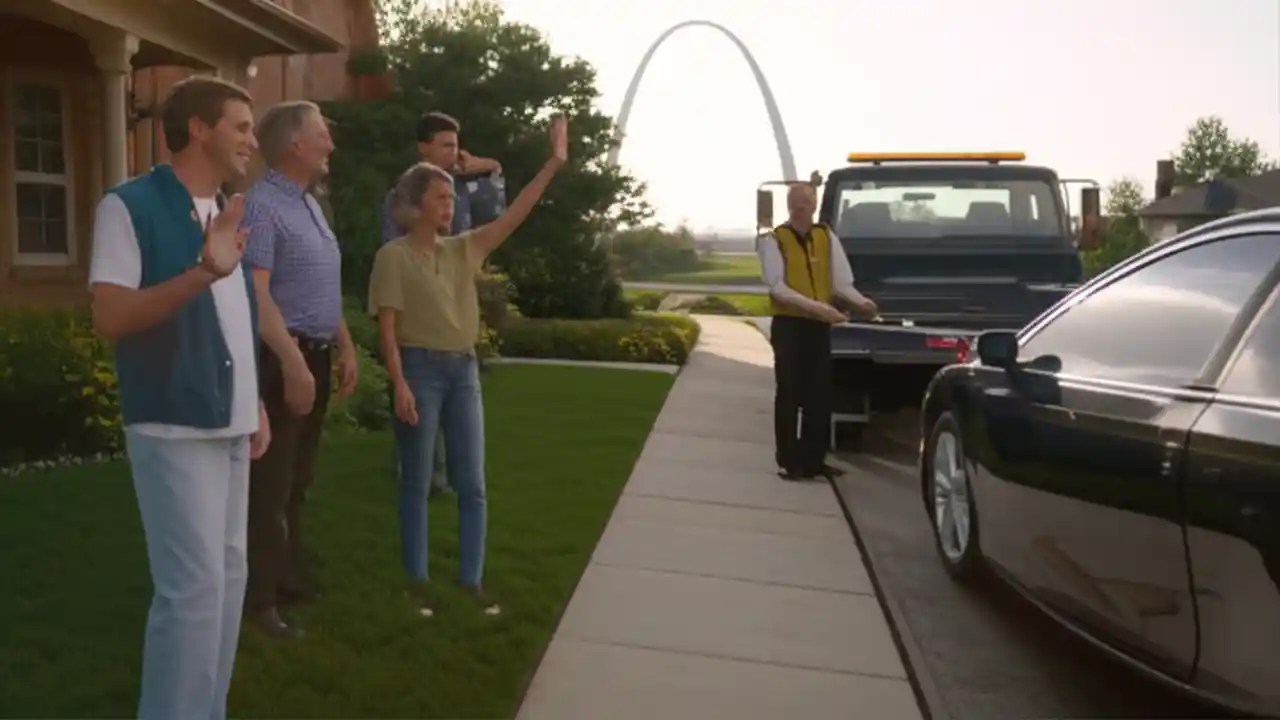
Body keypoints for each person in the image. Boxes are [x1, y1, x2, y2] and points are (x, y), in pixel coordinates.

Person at [88, 75, 269, 720]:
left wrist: (256, 404)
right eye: (241, 126)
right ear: (199, 127)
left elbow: (233, 315)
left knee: (226, 585)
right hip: (172, 422)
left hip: (228, 422)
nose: (253, 139)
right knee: (190, 593)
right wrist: (201, 272)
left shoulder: (224, 209)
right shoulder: (129, 205)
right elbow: (110, 316)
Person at [368, 115, 568, 617]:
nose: (450, 205)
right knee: (415, 482)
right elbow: (387, 330)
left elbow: (516, 213)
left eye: (451, 198)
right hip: (419, 370)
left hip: (463, 373)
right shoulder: (392, 257)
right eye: (441, 198)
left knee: (472, 483)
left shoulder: (464, 249)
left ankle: (470, 581)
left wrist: (553, 164)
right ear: (415, 206)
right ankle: (415, 581)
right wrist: (399, 384)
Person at [240, 101, 359, 639]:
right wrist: (292, 363)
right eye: (322, 133)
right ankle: (259, 602)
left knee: (298, 480)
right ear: (295, 146)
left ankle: (284, 578)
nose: (330, 142)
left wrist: (345, 345)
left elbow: (320, 286)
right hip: (280, 356)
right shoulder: (262, 206)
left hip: (315, 351)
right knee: (270, 483)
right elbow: (257, 294)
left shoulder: (310, 205)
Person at [379, 111, 507, 499]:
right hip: (418, 316)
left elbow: (496, 213)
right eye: (445, 144)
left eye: (457, 144)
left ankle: (449, 473)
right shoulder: (403, 199)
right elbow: (394, 249)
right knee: (421, 401)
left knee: (457, 401)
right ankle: (420, 476)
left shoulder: (462, 191)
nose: (454, 152)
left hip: (455, 306)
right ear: (424, 147)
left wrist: (492, 168)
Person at [758, 182, 878, 481]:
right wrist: (815, 308)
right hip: (790, 325)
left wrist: (862, 303)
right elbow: (777, 286)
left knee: (819, 394)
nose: (802, 206)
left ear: (814, 204)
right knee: (790, 392)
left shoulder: (826, 236)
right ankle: (789, 460)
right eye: (796, 201)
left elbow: (840, 282)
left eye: (807, 200)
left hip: (818, 327)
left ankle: (814, 459)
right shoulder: (774, 240)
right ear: (789, 205)